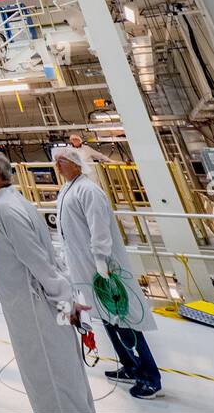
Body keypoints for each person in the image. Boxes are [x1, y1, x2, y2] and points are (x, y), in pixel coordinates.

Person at [0, 149, 94, 413]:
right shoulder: (15, 202)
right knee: (62, 377)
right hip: (38, 309)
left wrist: (68, 307)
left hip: (38, 314)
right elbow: (49, 259)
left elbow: (41, 265)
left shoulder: (8, 210)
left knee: (51, 381)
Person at [53, 144, 162, 399]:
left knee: (124, 322)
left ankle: (149, 378)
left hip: (102, 270)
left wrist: (101, 259)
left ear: (76, 163)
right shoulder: (66, 191)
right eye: (56, 162)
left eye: (62, 161)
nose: (58, 166)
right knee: (107, 321)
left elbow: (99, 228)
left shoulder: (88, 190)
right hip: (84, 269)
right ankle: (129, 366)